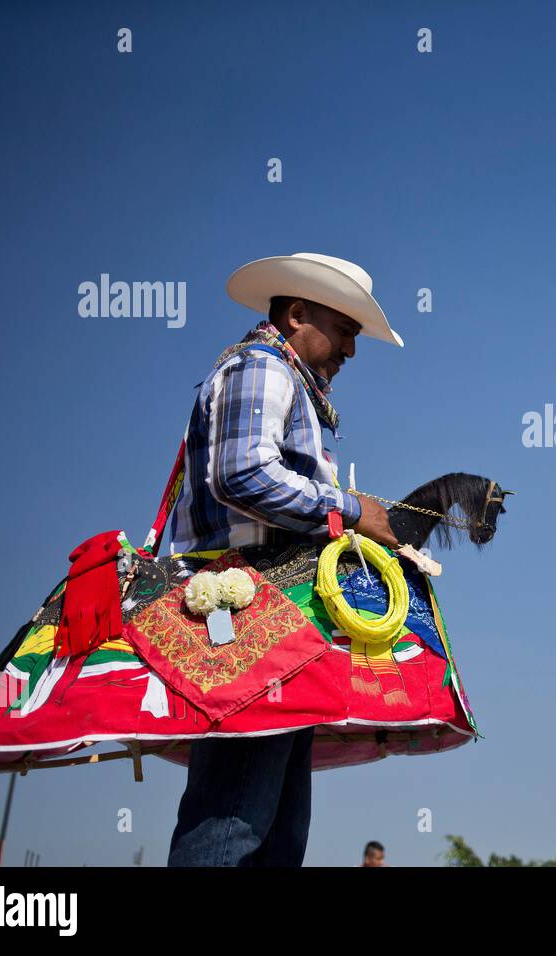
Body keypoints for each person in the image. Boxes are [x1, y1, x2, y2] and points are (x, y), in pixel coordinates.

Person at [167, 253, 402, 867]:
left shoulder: (275, 375)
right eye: (346, 329)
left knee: (271, 825)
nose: (352, 349)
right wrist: (350, 511)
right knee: (236, 818)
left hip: (268, 613)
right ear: (297, 314)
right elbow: (242, 474)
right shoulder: (263, 368)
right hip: (248, 612)